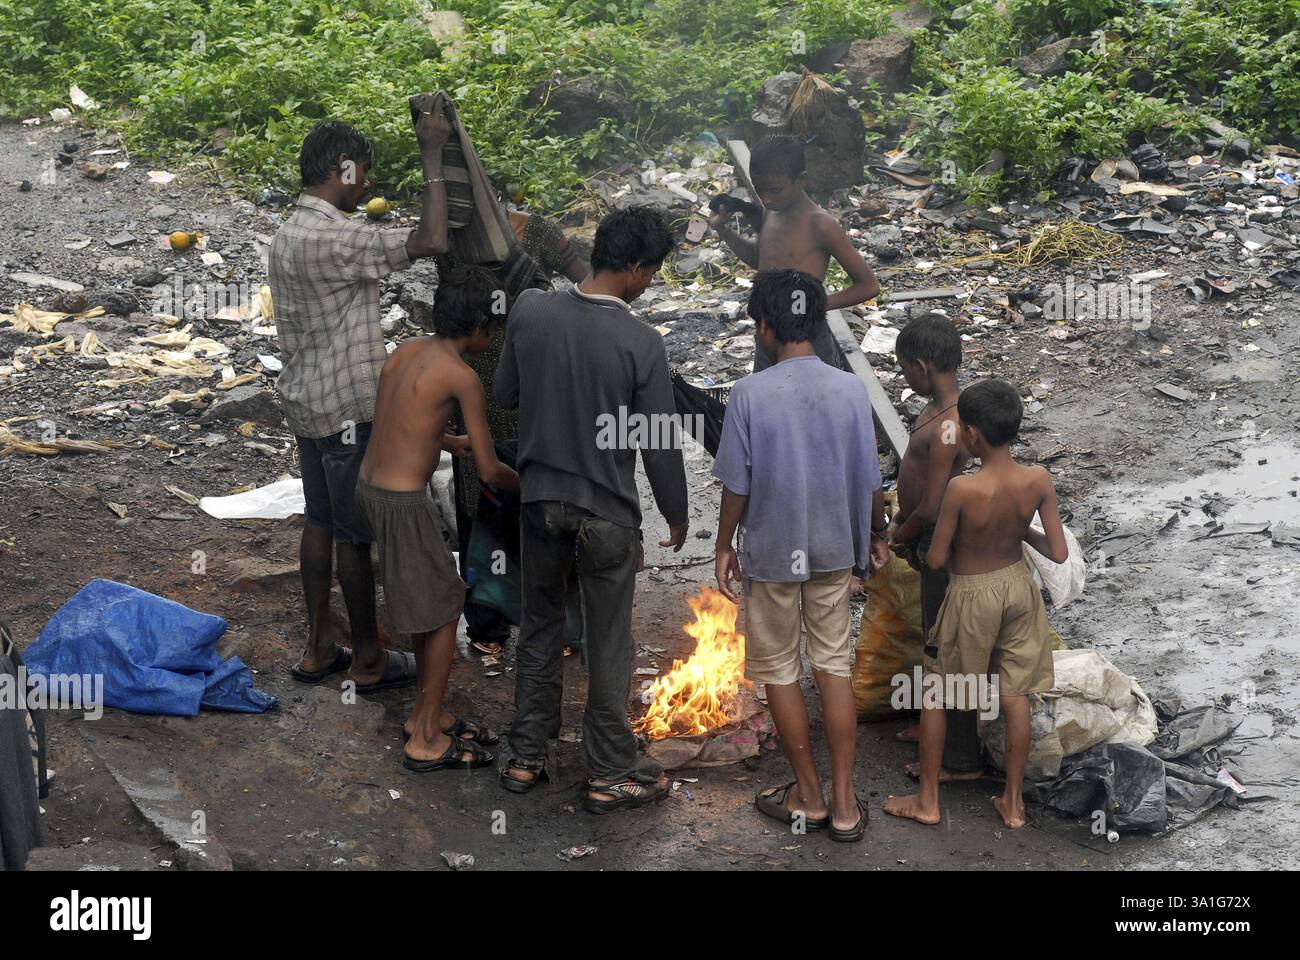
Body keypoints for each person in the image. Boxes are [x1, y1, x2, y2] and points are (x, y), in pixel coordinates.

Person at [494, 206, 689, 814]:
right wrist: (676, 513)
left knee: (541, 626)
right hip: (607, 517)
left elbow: (504, 395)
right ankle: (609, 770)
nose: (651, 281)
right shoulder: (641, 342)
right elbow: (658, 442)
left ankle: (527, 756)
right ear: (634, 268)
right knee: (609, 643)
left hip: (540, 504)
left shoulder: (531, 309)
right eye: (652, 271)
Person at [272, 108, 453, 693]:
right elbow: (430, 239)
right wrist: (432, 154)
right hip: (347, 411)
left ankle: (319, 645)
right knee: (354, 534)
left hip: (306, 402)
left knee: (320, 520)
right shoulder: (336, 236)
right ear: (341, 169)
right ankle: (369, 658)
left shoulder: (286, 233)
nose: (368, 184)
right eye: (364, 172)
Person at [713, 269, 890, 843]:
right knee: (832, 668)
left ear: (765, 328)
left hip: (771, 554)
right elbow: (870, 484)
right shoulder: (849, 389)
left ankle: (807, 795)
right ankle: (844, 806)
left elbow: (737, 486)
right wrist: (877, 535)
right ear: (814, 321)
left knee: (781, 672)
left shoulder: (749, 394)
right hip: (835, 550)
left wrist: (722, 545)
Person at [883, 379, 1067, 829]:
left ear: (972, 435)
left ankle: (927, 801)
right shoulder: (1038, 479)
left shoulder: (961, 490)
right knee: (1016, 696)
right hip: (1019, 589)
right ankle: (1013, 804)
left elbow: (938, 557)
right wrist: (1019, 529)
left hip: (971, 593)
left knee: (938, 693)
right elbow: (1059, 553)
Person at [355, 264, 518, 771]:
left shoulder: (406, 351)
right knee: (447, 608)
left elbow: (396, 421)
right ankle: (424, 737)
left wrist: (444, 442)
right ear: (478, 328)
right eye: (492, 328)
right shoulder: (463, 377)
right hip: (405, 503)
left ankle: (433, 713)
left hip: (371, 488)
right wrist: (531, 483)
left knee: (430, 602)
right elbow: (491, 470)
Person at [885, 314, 982, 780]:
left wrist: (901, 533)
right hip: (922, 532)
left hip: (936, 538)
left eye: (904, 368)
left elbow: (934, 499)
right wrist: (903, 520)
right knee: (935, 641)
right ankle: (934, 728)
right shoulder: (936, 410)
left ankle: (960, 759)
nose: (903, 376)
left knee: (949, 648)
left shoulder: (950, 423)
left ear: (923, 365)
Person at [709, 134, 880, 371]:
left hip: (806, 335)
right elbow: (759, 260)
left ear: (802, 179)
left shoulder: (820, 224)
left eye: (775, 190)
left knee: (816, 399)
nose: (767, 198)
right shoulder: (772, 212)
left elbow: (868, 286)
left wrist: (817, 305)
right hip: (767, 333)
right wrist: (722, 229)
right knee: (770, 396)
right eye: (760, 191)